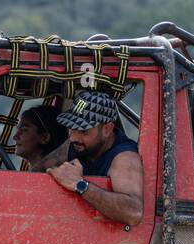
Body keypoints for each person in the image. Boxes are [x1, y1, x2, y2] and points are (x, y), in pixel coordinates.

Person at [48, 88, 144, 226]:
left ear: (107, 129)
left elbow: (134, 213)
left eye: (83, 130)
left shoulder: (124, 158)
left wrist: (79, 184)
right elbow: (36, 171)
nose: (73, 136)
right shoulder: (75, 144)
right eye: (71, 127)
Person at [13, 104, 70, 172]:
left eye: (24, 129)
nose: (15, 137)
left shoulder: (62, 174)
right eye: (18, 129)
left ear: (44, 138)